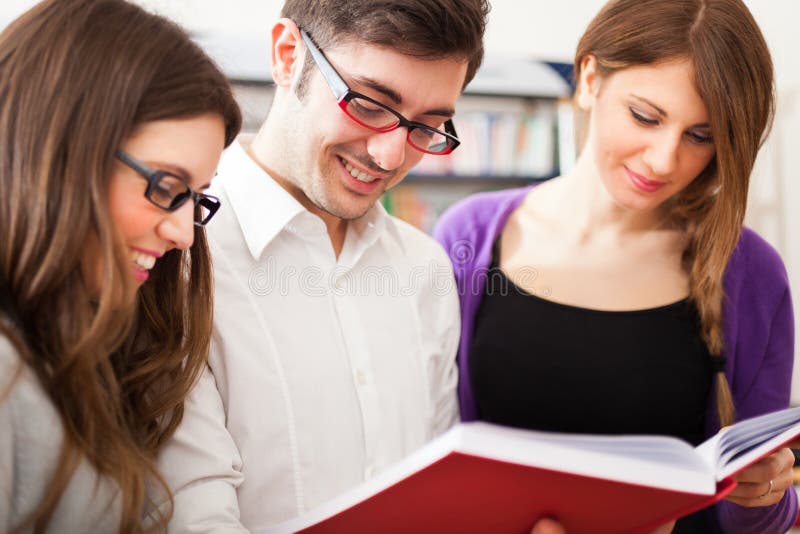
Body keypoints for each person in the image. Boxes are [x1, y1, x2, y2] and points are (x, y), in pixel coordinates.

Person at [434, 0, 796, 532]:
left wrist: (762, 493)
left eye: (701, 136)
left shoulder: (750, 273)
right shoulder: (467, 237)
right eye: (645, 117)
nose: (663, 160)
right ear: (588, 79)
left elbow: (759, 516)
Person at [153, 0, 489, 530]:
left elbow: (433, 485)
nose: (390, 156)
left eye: (428, 126)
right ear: (288, 56)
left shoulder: (424, 267)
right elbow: (190, 510)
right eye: (371, 104)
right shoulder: (174, 254)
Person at [0, 0, 241, 531]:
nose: (183, 234)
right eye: (165, 187)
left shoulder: (86, 342)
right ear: (58, 147)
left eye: (196, 198)